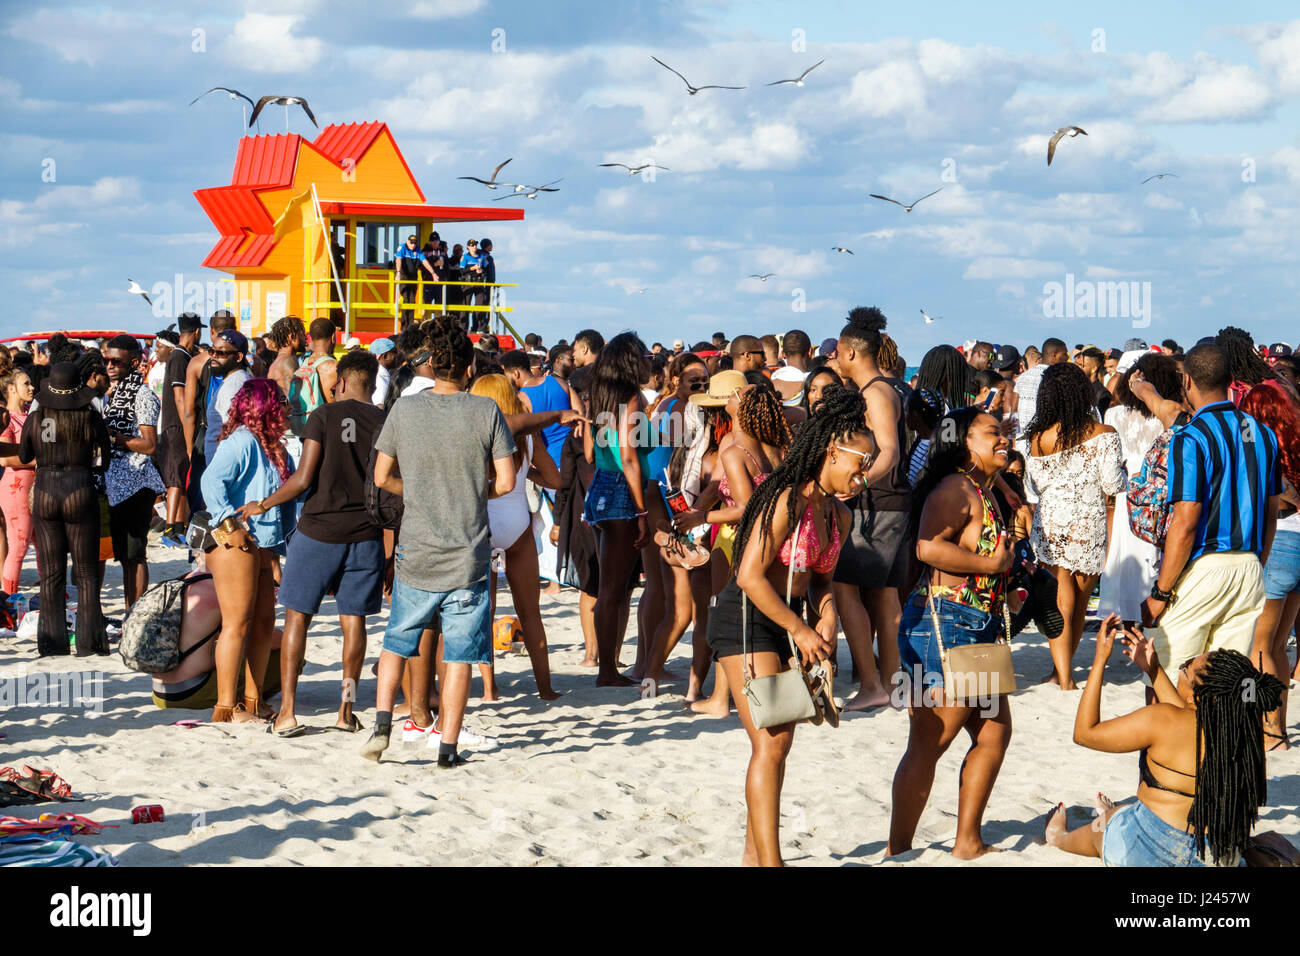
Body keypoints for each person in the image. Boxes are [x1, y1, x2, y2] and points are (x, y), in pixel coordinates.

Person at [709, 384, 869, 866]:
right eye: (860, 464)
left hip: (788, 620)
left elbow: (822, 580)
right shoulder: (785, 500)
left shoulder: (837, 512)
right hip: (746, 615)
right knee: (772, 740)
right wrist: (800, 631)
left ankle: (753, 856)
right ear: (830, 452)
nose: (864, 476)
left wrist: (825, 623)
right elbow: (748, 574)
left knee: (780, 742)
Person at [362, 318, 516, 767]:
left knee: (398, 639)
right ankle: (447, 747)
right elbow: (505, 482)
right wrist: (468, 488)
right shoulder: (485, 411)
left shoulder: (404, 411)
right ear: (468, 366)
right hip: (467, 548)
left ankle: (383, 725)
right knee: (461, 651)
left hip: (417, 544)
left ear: (430, 365)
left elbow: (381, 476)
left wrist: (423, 488)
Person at [1046, 619, 1283, 867]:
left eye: (1185, 667)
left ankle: (1058, 837)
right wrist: (1154, 670)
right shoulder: (1241, 731)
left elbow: (1085, 733)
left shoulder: (1162, 719)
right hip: (1217, 855)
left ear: (1197, 694)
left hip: (1149, 846)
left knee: (1113, 819)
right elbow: (1189, 716)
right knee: (1127, 811)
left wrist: (1100, 660)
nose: (1183, 666)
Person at [888, 407, 1015, 860]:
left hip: (977, 624)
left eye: (1003, 432)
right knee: (930, 741)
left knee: (994, 733)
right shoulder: (956, 487)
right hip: (944, 624)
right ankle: (898, 848)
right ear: (964, 442)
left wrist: (1002, 585)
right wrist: (991, 566)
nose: (1003, 439)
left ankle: (967, 840)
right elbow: (928, 546)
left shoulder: (983, 489)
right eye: (992, 433)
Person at [240, 351, 384, 736]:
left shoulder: (324, 416)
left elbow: (303, 479)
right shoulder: (386, 421)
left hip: (318, 531)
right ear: (371, 381)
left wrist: (264, 503)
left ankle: (287, 711)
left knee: (297, 619)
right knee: (353, 623)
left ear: (340, 382)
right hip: (366, 534)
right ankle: (345, 708)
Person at [1142, 342, 1281, 681]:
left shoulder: (1190, 437)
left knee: (1171, 678)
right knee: (1225, 686)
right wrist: (1256, 563)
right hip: (1249, 565)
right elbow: (1271, 511)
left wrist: (1160, 593)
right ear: (1231, 379)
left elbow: (1186, 521)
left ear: (1187, 381)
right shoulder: (1263, 434)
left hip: (1204, 567)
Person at [678, 375, 791, 714]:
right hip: (775, 537)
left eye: (732, 398)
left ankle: (719, 699)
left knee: (727, 618)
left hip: (737, 538)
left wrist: (700, 518)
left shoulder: (733, 446)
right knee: (765, 613)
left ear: (741, 406)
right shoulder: (780, 440)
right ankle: (771, 689)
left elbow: (744, 505)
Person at [200, 378, 296, 724]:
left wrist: (276, 555)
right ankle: (226, 707)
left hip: (264, 546)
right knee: (237, 624)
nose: (286, 408)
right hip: (236, 545)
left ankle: (253, 701)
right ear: (263, 406)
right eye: (281, 402)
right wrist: (230, 524)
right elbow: (210, 482)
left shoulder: (274, 447)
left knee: (263, 623)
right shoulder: (241, 440)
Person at [1026, 362, 1125, 689]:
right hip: (1089, 523)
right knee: (1078, 605)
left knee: (1059, 602)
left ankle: (1061, 672)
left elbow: (1034, 487)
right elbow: (1113, 485)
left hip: (1050, 522)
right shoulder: (1104, 435)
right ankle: (1064, 675)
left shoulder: (1038, 438)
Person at [833, 307, 909, 711]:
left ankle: (872, 684)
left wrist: (856, 483)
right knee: (885, 597)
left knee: (844, 587)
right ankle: (890, 685)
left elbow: (890, 453)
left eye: (836, 353)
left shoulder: (875, 393)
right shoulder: (885, 389)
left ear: (848, 352)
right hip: (889, 506)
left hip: (877, 506)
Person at [470, 373, 561, 700]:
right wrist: (525, 472)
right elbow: (555, 479)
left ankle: (490, 690)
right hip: (517, 524)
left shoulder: (475, 432)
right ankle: (547, 689)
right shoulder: (527, 437)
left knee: (485, 611)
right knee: (530, 612)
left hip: (483, 524)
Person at [19, 363, 110, 657]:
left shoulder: (37, 418)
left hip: (45, 491)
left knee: (51, 574)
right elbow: (104, 460)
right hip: (79, 489)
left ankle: (51, 643)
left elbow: (24, 455)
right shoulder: (90, 418)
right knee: (85, 573)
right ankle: (89, 643)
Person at [583, 331, 653, 688]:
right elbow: (628, 455)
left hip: (599, 487)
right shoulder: (631, 399)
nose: (650, 361)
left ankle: (606, 667)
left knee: (612, 587)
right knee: (614, 588)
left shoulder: (602, 396)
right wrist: (642, 512)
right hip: (622, 492)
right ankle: (607, 671)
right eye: (644, 355)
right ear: (631, 361)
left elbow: (592, 453)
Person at [1099, 352, 1184, 621]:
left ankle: (1125, 622)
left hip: (1127, 495)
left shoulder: (1112, 414)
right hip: (1161, 494)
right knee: (1154, 558)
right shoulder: (1168, 415)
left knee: (1124, 559)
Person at [1240, 382, 1300, 750]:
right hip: (1298, 547)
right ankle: (1277, 731)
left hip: (1277, 547)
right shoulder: (1295, 446)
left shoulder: (1263, 450)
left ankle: (1270, 732)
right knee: (1278, 646)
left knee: (1258, 647)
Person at [102, 334, 164, 609]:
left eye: (116, 360)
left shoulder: (142, 394)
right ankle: (130, 612)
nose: (110, 365)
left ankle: (135, 613)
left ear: (135, 362)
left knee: (135, 555)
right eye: (106, 360)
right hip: (116, 483)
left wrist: (116, 438)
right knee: (125, 557)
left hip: (137, 483)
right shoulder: (116, 393)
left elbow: (150, 445)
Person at [156, 313, 203, 546]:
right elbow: (179, 396)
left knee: (182, 476)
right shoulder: (178, 357)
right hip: (176, 426)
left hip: (177, 425)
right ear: (196, 332)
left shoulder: (184, 356)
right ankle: (169, 528)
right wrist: (188, 429)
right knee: (175, 480)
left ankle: (179, 525)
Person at [0, 369, 35, 594]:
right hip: (15, 490)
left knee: (43, 546)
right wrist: (37, 462)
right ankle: (8, 599)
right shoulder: (6, 418)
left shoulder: (32, 415)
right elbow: (4, 458)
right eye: (26, 383)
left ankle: (53, 599)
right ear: (12, 389)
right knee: (19, 545)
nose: (32, 387)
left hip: (34, 488)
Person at [1013, 337, 1068, 459]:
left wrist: (1012, 439)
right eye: (1064, 354)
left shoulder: (1023, 377)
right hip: (1045, 442)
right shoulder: (1056, 379)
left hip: (1021, 442)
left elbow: (1013, 409)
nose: (1067, 358)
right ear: (1053, 355)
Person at [288, 318, 338, 438]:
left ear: (311, 338)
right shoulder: (335, 367)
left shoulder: (302, 364)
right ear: (333, 338)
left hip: (301, 431)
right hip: (324, 432)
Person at [370, 337, 398, 406]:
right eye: (395, 352)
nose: (397, 355)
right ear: (385, 356)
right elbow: (380, 406)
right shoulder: (380, 378)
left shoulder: (381, 373)